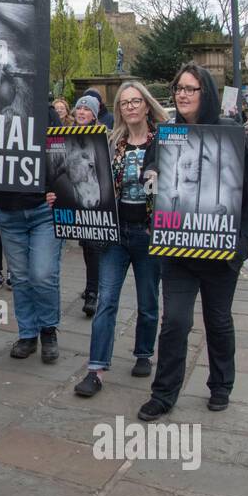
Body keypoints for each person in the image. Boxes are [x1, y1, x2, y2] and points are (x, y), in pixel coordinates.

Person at [138, 63, 248, 421]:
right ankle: (163, 394)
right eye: (178, 88)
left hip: (220, 253)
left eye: (190, 89)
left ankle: (221, 386)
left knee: (218, 320)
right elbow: (149, 187)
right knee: (175, 322)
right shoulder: (167, 134)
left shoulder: (229, 133)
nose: (182, 94)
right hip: (177, 251)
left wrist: (240, 247)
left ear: (204, 93)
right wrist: (152, 184)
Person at [73, 81, 165, 398]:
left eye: (135, 100)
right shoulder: (112, 141)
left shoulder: (164, 141)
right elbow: (88, 177)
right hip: (115, 233)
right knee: (106, 301)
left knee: (149, 301)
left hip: (149, 233)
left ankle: (143, 352)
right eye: (124, 102)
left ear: (147, 104)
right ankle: (95, 369)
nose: (130, 106)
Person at [0, 103, 65, 363]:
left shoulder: (45, 109)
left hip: (42, 210)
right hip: (8, 211)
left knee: (43, 274)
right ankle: (28, 333)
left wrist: (56, 188)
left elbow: (60, 151)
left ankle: (48, 329)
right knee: (21, 278)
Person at [68, 95, 103, 317]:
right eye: (79, 108)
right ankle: (93, 287)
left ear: (94, 115)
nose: (81, 112)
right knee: (86, 246)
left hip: (95, 198)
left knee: (93, 246)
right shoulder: (66, 135)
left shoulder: (101, 137)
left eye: (86, 109)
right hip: (76, 197)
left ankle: (92, 292)